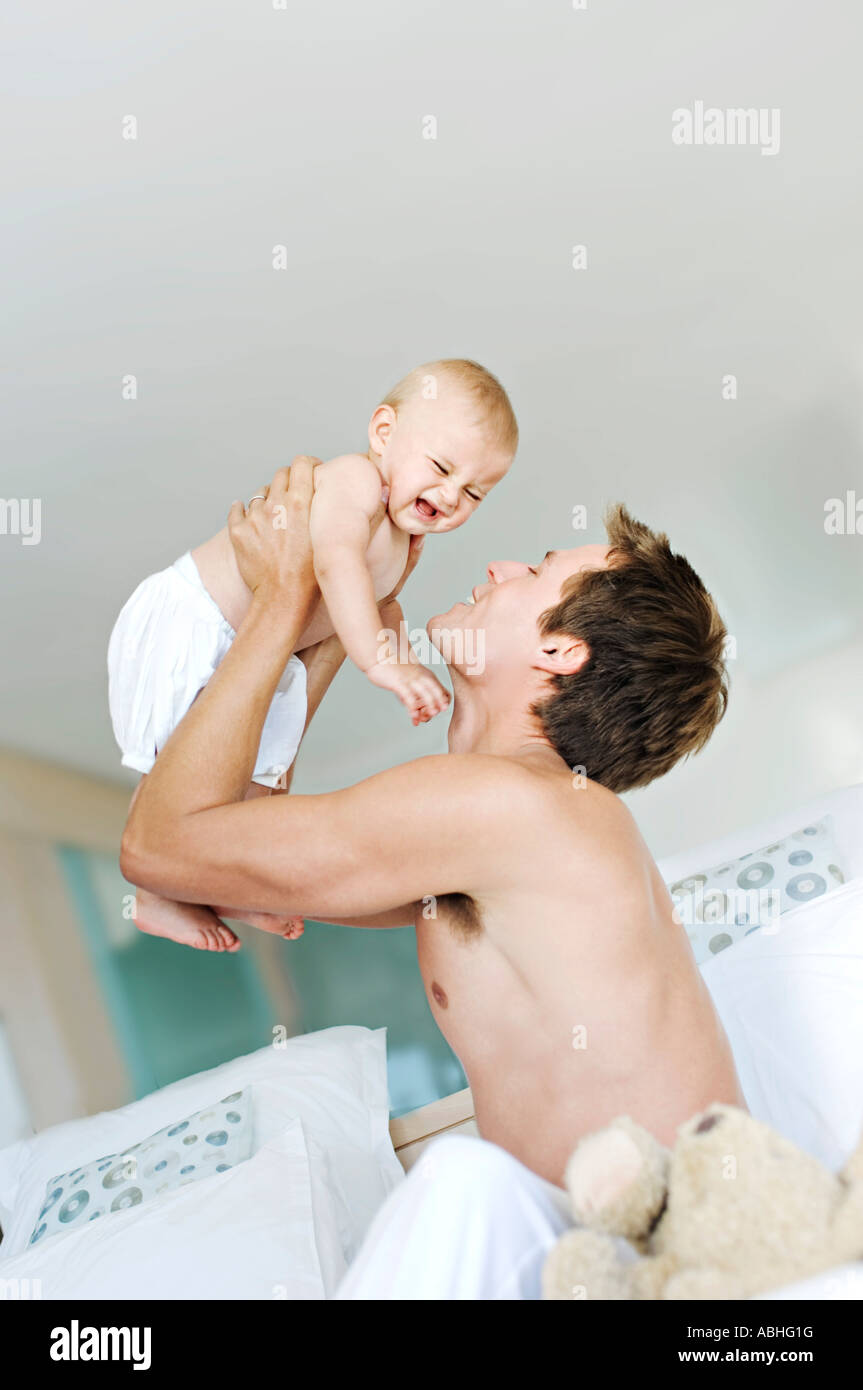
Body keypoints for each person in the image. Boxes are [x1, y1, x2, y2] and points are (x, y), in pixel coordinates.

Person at [120, 458, 745, 1204]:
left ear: (559, 652)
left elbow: (159, 846)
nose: (498, 563)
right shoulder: (514, 822)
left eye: (537, 569)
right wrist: (323, 626)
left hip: (674, 1258)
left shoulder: (505, 805)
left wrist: (283, 596)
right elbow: (225, 858)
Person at [108, 360, 517, 951]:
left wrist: (405, 662)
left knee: (247, 773)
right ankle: (154, 895)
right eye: (441, 467)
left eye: (474, 492)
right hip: (197, 619)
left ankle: (229, 882)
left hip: (259, 652)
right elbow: (334, 564)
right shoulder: (355, 483)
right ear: (384, 435)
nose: (451, 494)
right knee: (179, 758)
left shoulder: (405, 542)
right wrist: (381, 663)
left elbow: (384, 606)